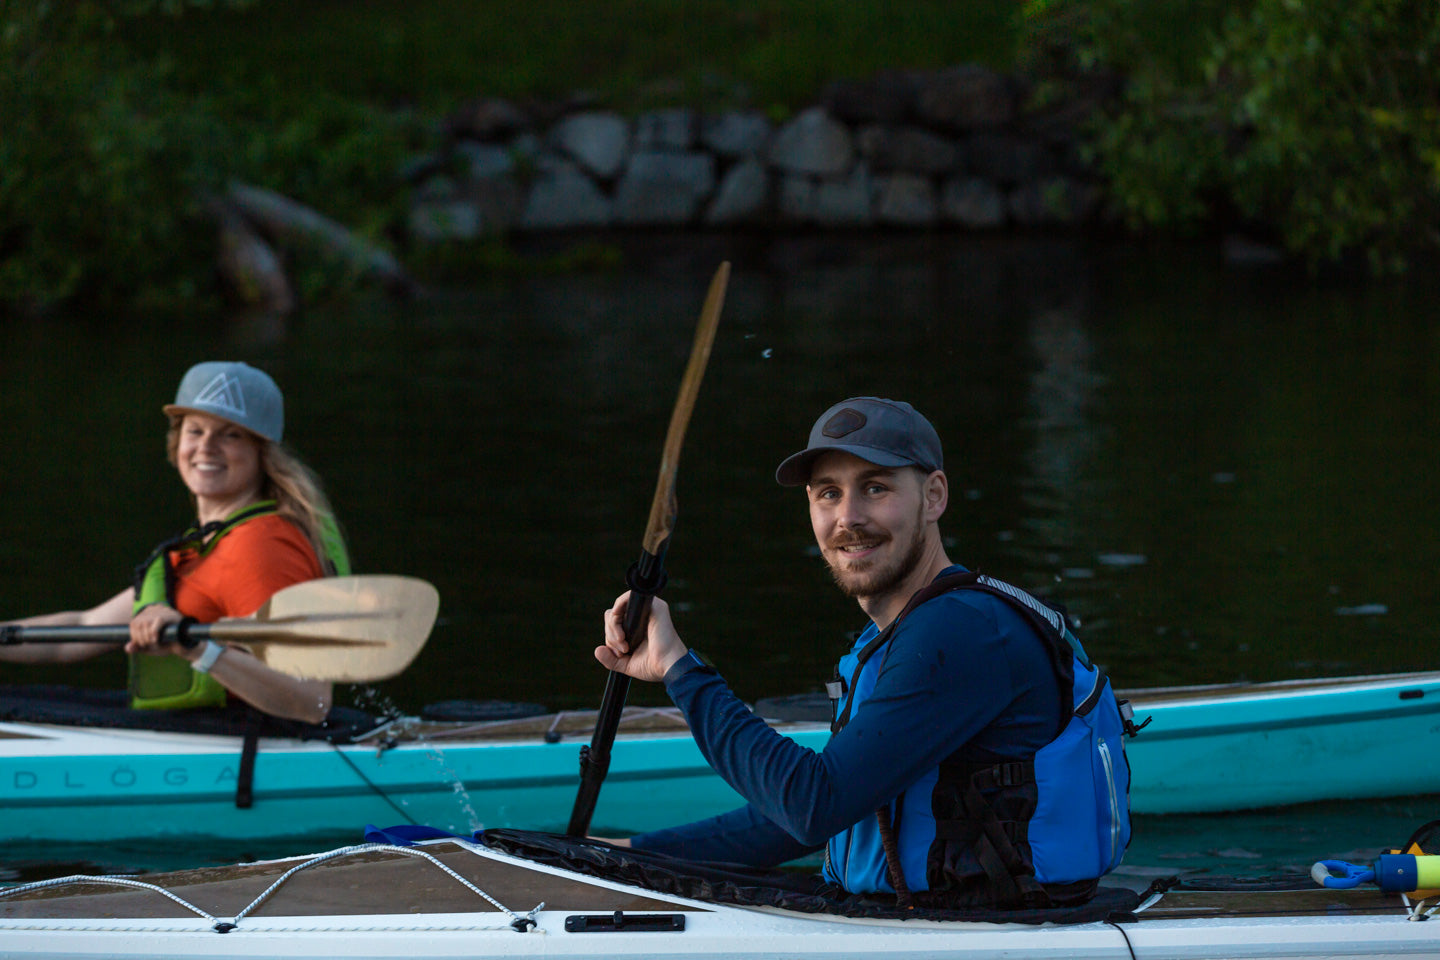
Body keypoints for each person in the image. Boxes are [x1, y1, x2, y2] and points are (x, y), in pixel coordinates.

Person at [597, 396, 1131, 908]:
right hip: (934, 917)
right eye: (828, 493)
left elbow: (811, 805)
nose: (848, 517)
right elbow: (803, 818)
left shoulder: (960, 631)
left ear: (934, 496)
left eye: (875, 488)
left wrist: (680, 670)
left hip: (991, 932)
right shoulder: (906, 631)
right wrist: (627, 859)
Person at [0, 361, 350, 724]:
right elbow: (80, 629)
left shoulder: (261, 547)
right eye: (195, 431)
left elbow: (312, 701)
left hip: (245, 757)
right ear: (176, 444)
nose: (206, 447)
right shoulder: (201, 547)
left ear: (262, 453)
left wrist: (193, 645)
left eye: (230, 435)